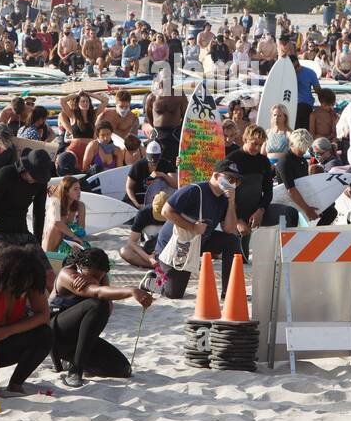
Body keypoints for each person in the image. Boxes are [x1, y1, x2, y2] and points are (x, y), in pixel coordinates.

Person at [50, 247, 153, 388]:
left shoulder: (100, 277)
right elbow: (98, 293)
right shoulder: (67, 274)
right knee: (97, 304)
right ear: (80, 267)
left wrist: (101, 283)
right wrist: (131, 290)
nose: (94, 280)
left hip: (78, 337)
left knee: (122, 369)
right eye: (91, 276)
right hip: (55, 333)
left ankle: (71, 359)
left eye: (98, 277)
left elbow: (108, 309)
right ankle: (75, 369)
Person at [0, 245, 54, 396]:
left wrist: (7, 331)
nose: (25, 291)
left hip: (4, 343)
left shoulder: (30, 281)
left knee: (45, 334)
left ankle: (15, 384)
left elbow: (43, 315)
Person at [153, 160, 242, 297]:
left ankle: (228, 291)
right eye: (230, 178)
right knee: (173, 293)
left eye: (237, 181)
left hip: (198, 241)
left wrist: (231, 203)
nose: (233, 183)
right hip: (173, 245)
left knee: (231, 241)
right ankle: (150, 281)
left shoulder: (225, 198)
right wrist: (192, 227)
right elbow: (166, 211)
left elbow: (229, 229)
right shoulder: (194, 190)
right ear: (217, 176)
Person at [0, 148, 53, 240]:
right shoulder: (4, 175)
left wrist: (38, 241)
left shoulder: (40, 182)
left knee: (37, 254)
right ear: (27, 168)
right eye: (35, 176)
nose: (36, 180)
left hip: (21, 230)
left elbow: (39, 213)